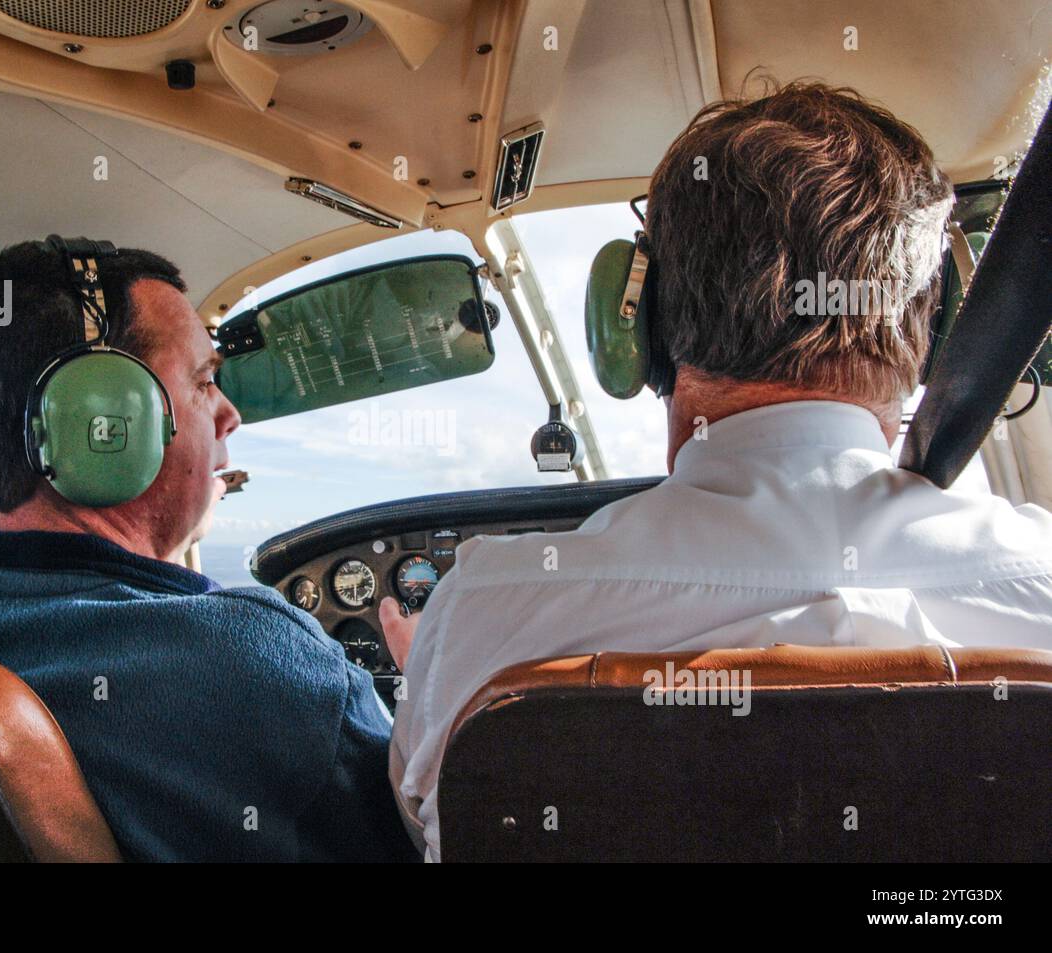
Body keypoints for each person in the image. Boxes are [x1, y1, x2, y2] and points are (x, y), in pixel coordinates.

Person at [381, 82, 1052, 861]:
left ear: (639, 329)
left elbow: (426, 824)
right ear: (935, 333)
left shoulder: (485, 614)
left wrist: (435, 672)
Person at [0, 239, 417, 862]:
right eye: (206, 381)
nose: (230, 413)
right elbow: (432, 839)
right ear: (99, 421)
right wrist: (433, 690)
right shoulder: (263, 665)